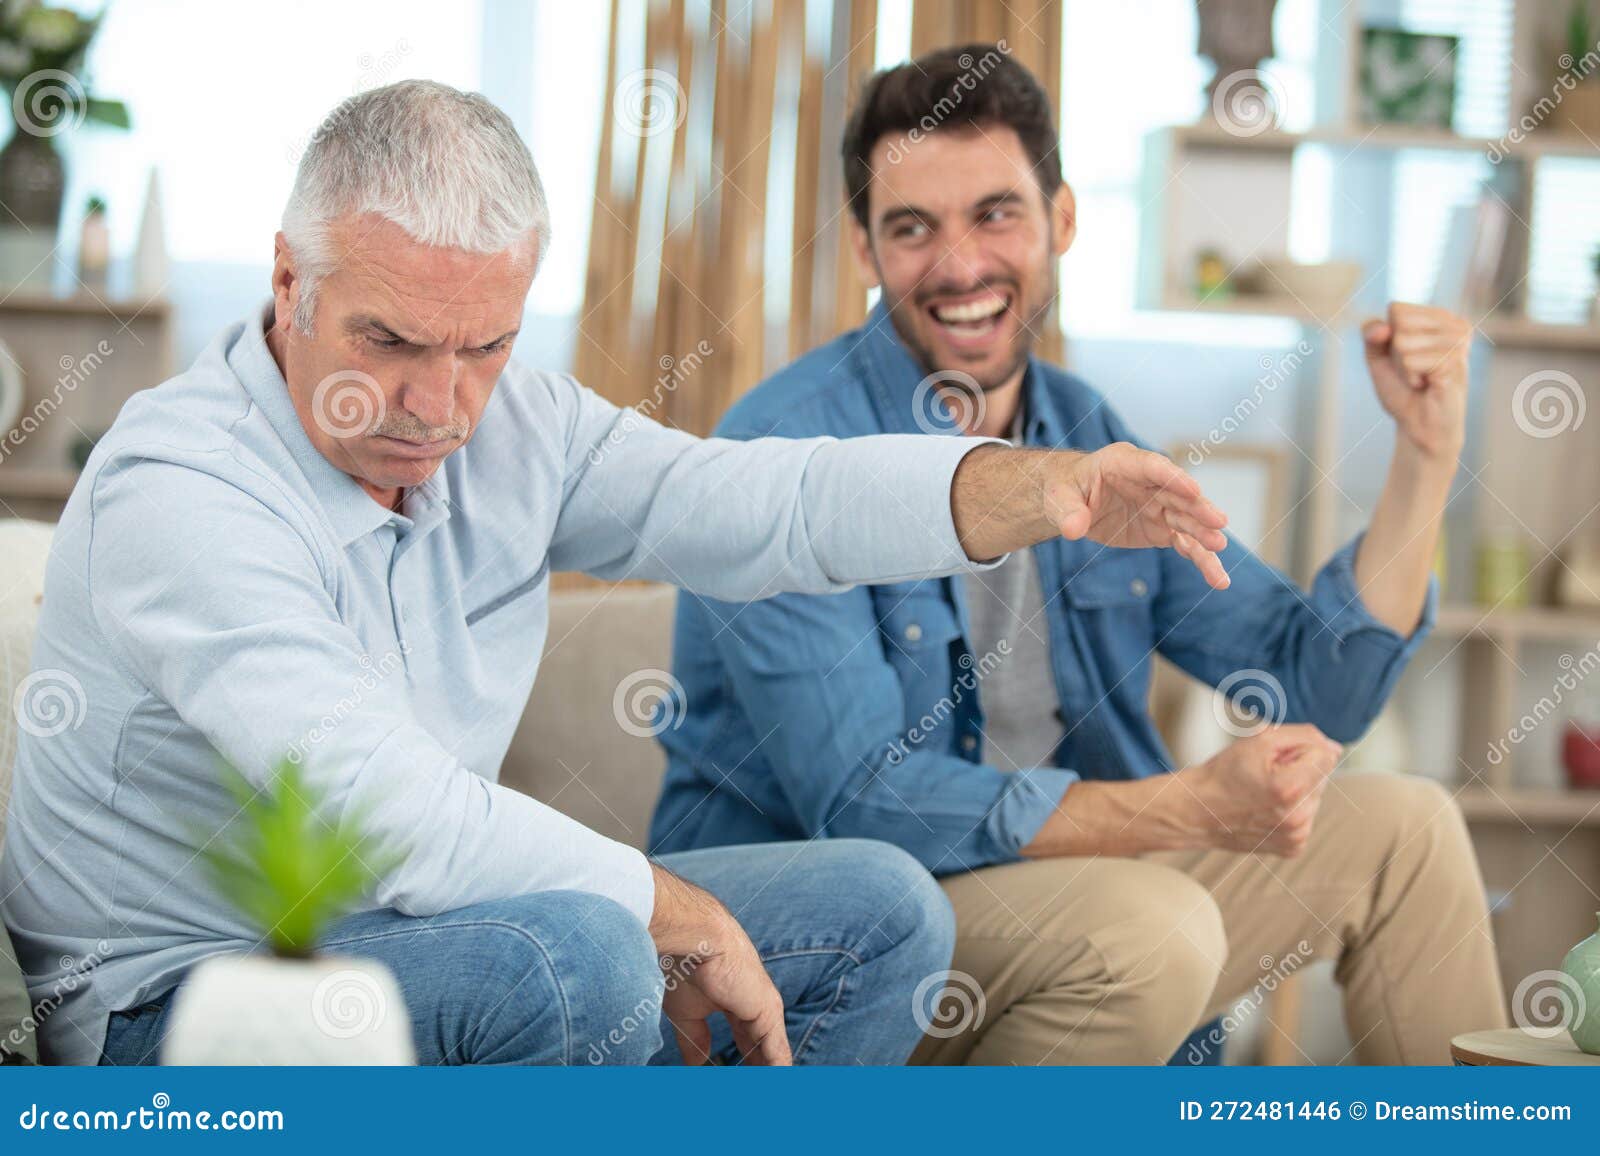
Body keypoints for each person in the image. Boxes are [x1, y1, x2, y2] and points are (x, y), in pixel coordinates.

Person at [0, 80, 1232, 1067]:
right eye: (388, 341)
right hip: (178, 1003)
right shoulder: (184, 479)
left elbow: (761, 501)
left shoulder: (516, 428)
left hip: (421, 935)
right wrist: (664, 906)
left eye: (484, 345)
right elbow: (377, 813)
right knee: (581, 953)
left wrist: (1030, 487)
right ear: (288, 281)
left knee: (886, 908)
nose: (438, 406)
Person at [652, 46, 1507, 1065]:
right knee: (1149, 926)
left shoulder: (1079, 425)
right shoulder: (780, 449)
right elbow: (866, 799)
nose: (961, 265)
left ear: (1059, 220)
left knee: (1406, 827)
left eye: (995, 213)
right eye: (912, 228)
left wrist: (1425, 454)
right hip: (832, 941)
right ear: (864, 248)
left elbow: (1316, 681)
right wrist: (1184, 806)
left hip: (1075, 893)